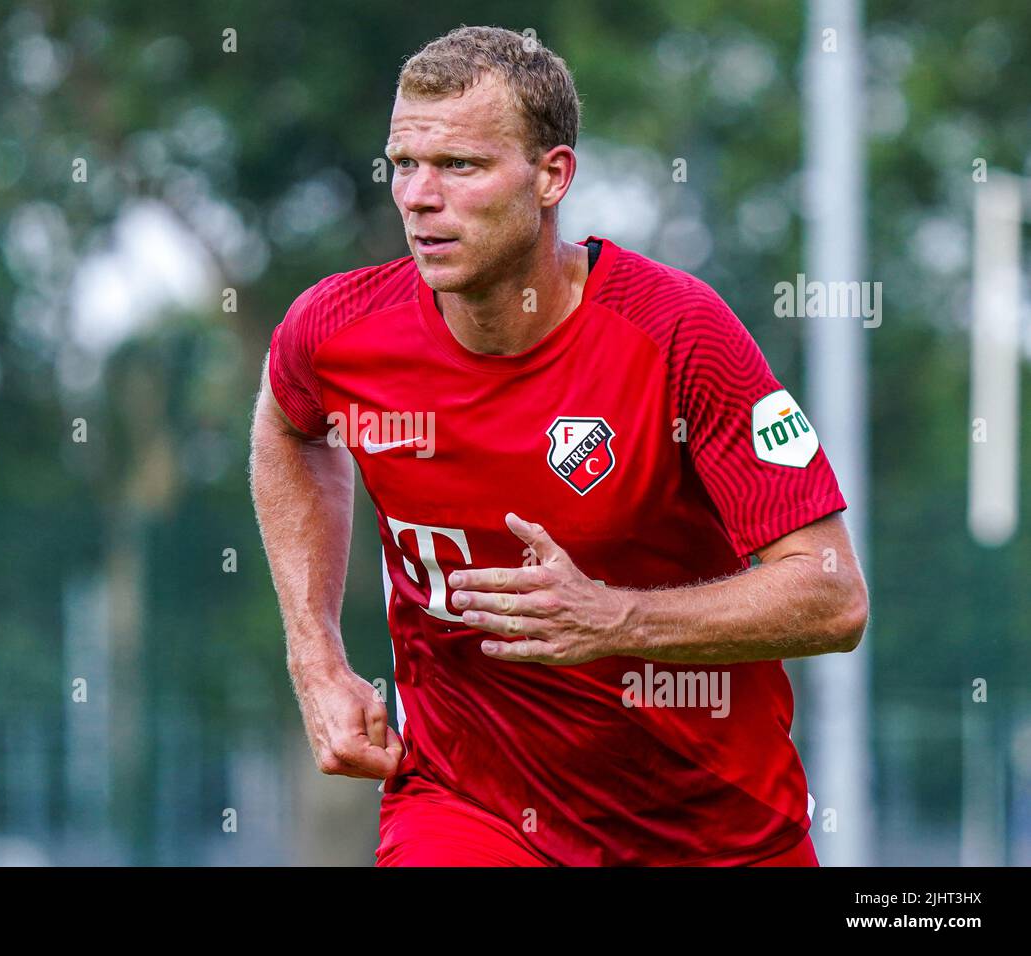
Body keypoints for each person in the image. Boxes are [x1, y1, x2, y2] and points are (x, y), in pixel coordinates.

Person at [249, 25, 868, 866]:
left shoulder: (679, 334)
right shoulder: (339, 331)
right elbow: (290, 424)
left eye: (460, 166)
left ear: (552, 176)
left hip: (713, 830)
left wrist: (615, 617)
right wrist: (316, 657)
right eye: (403, 164)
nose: (420, 197)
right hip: (470, 809)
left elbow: (833, 599)